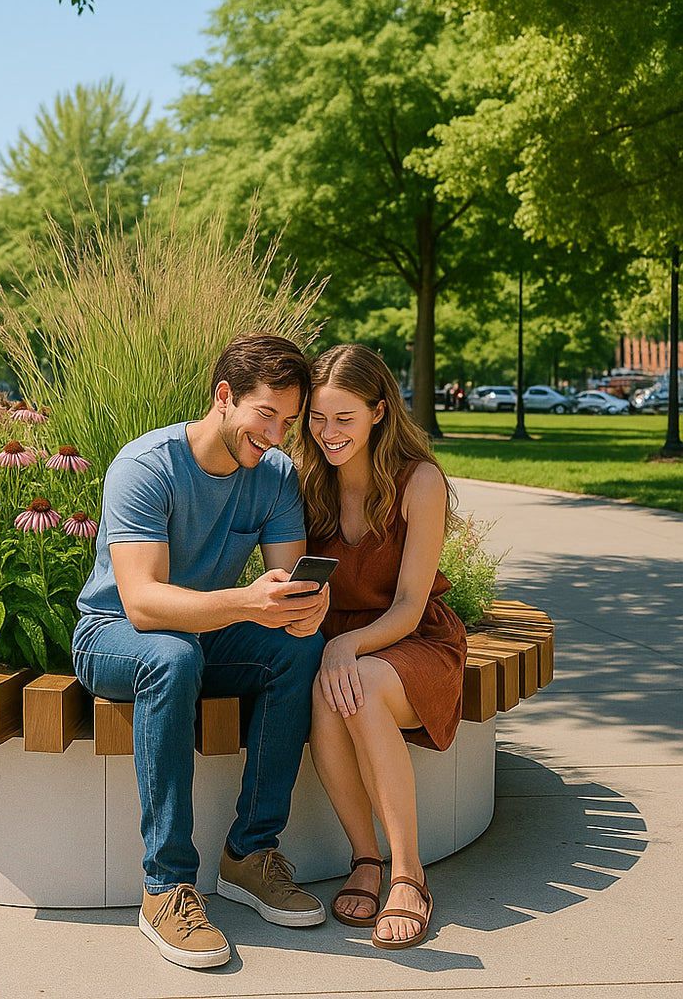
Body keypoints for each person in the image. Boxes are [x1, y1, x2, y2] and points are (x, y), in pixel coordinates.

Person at [73, 335, 330, 969]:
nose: (275, 434)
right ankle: (166, 887)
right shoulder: (147, 466)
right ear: (223, 398)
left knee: (299, 651)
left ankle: (248, 854)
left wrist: (303, 610)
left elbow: (284, 582)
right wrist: (250, 603)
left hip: (204, 631)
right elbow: (143, 605)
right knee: (171, 656)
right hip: (114, 636)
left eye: (288, 422)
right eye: (264, 414)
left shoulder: (274, 477)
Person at [295, 343, 465, 950]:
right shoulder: (306, 483)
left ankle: (408, 873)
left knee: (357, 686)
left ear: (379, 412)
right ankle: (364, 857)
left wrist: (349, 647)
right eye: (317, 417)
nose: (328, 433)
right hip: (338, 637)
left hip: (413, 639)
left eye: (344, 418)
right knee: (327, 693)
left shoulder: (419, 481)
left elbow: (410, 605)